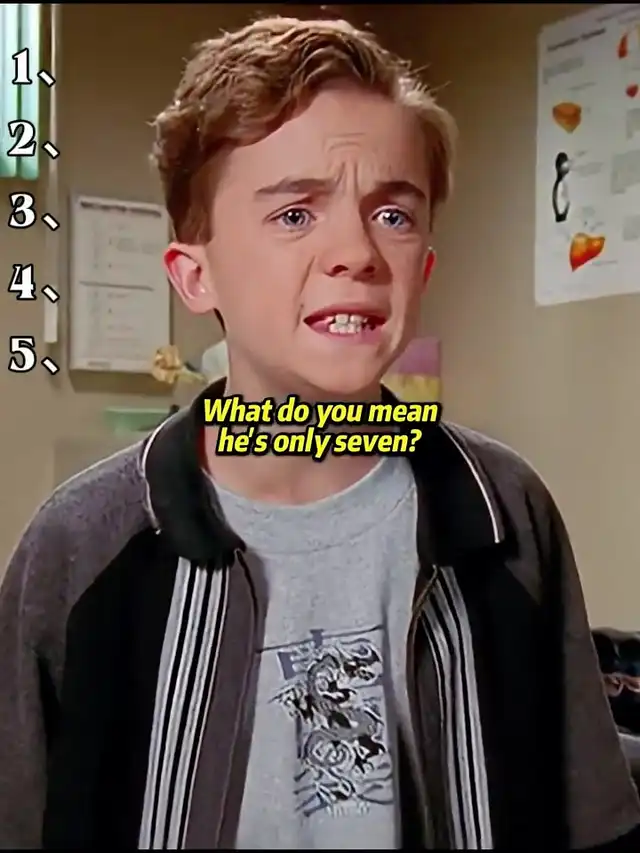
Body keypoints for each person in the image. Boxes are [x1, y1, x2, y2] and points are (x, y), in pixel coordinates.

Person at [0, 15, 638, 851]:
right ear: (195, 275)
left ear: (424, 268)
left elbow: (591, 818)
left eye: (394, 216)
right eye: (296, 213)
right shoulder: (80, 547)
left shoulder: (507, 514)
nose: (356, 252)